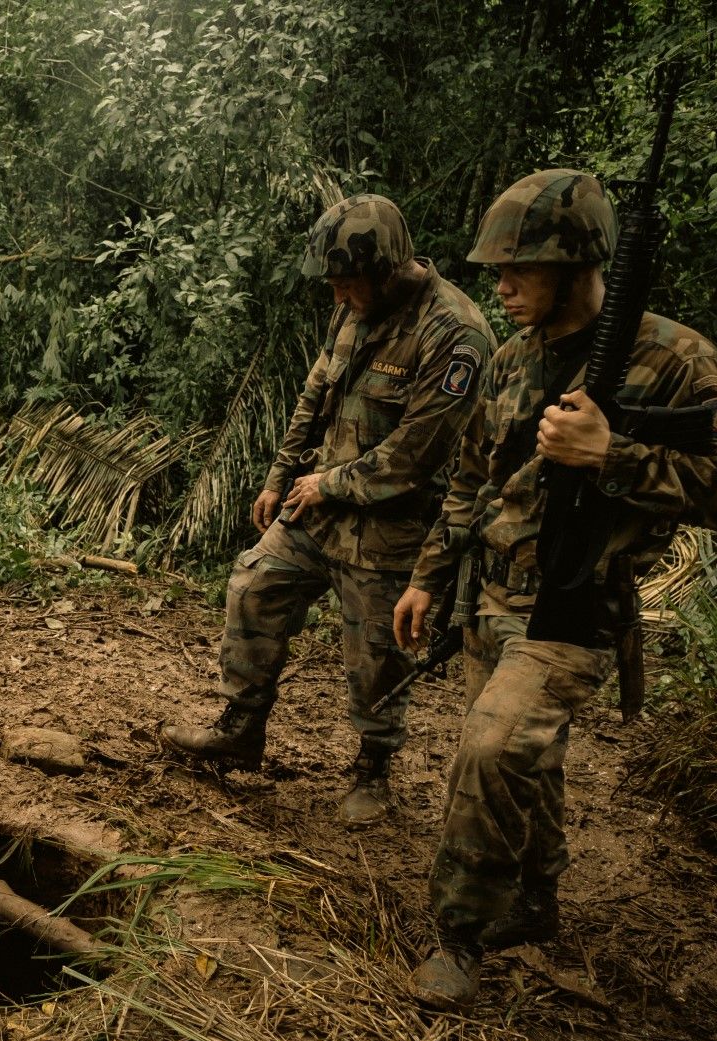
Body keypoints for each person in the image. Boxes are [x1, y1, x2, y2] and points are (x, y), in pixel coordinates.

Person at [395, 169, 717, 1011]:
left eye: (520, 267)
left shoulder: (674, 358)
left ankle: (459, 933)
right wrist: (428, 579)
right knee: (526, 758)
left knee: (488, 749)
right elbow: (469, 477)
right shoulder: (512, 358)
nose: (501, 284)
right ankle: (535, 897)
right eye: (495, 269)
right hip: (493, 597)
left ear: (578, 261)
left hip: (577, 607)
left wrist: (613, 455)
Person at [159, 194, 496, 826]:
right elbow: (315, 393)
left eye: (346, 285)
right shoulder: (355, 310)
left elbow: (418, 452)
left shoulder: (455, 334)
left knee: (376, 653)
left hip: (392, 527)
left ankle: (373, 771)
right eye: (334, 287)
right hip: (319, 505)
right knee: (254, 585)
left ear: (388, 268)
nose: (338, 299)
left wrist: (327, 483)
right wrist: (279, 475)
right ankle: (241, 726)